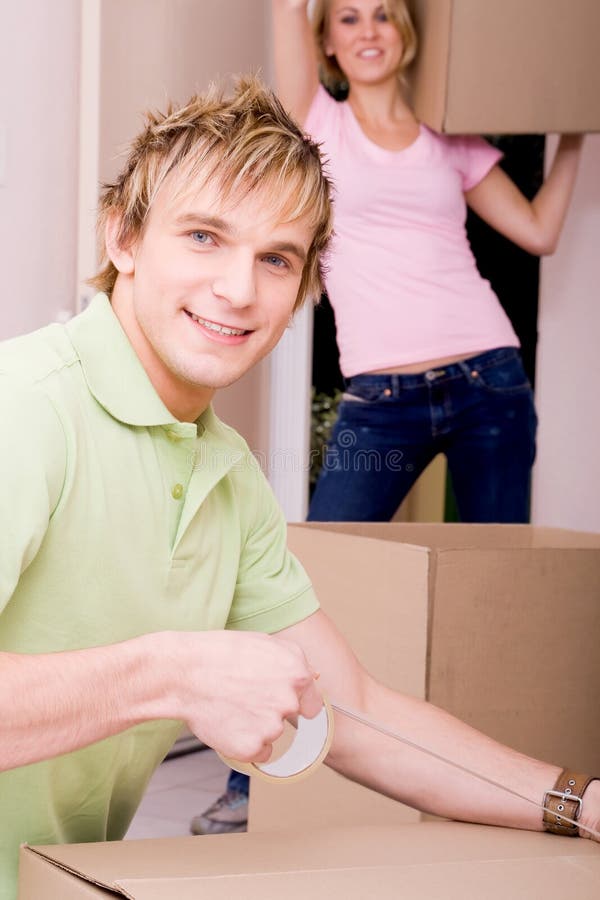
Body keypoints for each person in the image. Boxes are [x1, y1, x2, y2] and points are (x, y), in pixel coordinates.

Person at [1, 76, 597, 900]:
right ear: (123, 238)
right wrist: (168, 675)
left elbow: (353, 712)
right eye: (205, 237)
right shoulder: (25, 410)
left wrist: (580, 802)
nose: (240, 290)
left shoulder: (231, 480)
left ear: (304, 290)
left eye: (275, 258)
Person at [269, 0, 583, 526]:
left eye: (383, 15)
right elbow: (285, 7)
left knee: (494, 576)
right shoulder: (318, 122)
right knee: (327, 560)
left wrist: (576, 130)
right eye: (349, 18)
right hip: (380, 394)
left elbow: (538, 231)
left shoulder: (450, 136)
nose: (368, 31)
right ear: (326, 41)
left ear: (405, 32)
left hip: (487, 377)